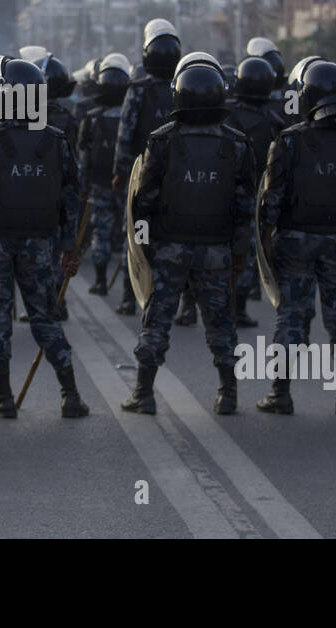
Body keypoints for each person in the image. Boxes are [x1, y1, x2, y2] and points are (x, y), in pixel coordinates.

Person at [122, 63, 255, 416]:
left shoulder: (162, 140)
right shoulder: (237, 144)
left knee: (157, 321)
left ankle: (144, 394)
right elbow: (245, 207)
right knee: (221, 322)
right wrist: (240, 251)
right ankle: (228, 395)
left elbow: (142, 202)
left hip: (169, 248)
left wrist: (146, 248)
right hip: (216, 250)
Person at [256, 60, 336, 416]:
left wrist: (265, 238)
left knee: (291, 315)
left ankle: (281, 393)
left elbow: (271, 199)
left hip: (294, 240)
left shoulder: (289, 141)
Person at [0, 57, 86, 418]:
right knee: (45, 318)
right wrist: (69, 247)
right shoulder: (56, 140)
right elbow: (71, 197)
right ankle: (71, 396)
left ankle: (1, 398)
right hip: (40, 243)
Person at [111, 20, 181, 316]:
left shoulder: (137, 89)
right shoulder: (186, 84)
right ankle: (184, 303)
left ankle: (130, 296)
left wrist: (120, 170)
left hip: (142, 176)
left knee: (136, 234)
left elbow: (125, 132)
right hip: (178, 175)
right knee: (178, 235)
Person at [226, 56, 286, 327]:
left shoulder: (225, 115)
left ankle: (197, 307)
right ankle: (236, 309)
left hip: (222, 192)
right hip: (252, 196)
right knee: (246, 253)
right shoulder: (274, 122)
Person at [77, 54, 130, 296]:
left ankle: (100, 282)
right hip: (129, 186)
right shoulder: (132, 117)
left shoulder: (92, 118)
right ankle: (131, 293)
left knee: (101, 233)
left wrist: (83, 187)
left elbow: (84, 157)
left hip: (99, 186)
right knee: (136, 235)